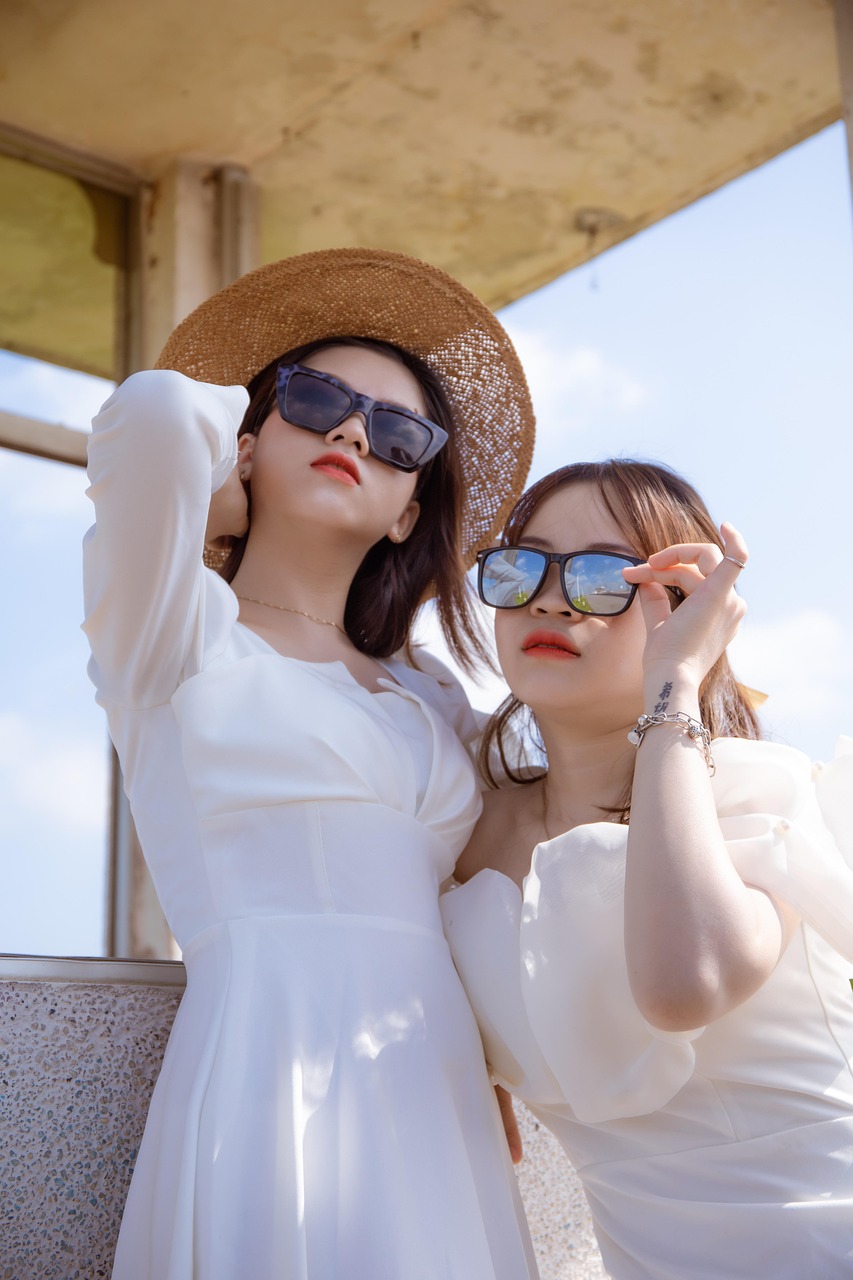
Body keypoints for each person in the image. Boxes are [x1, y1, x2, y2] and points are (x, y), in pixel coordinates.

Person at [82, 247, 541, 1279]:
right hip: (269, 1059)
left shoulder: (431, 695)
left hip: (437, 1090)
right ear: (247, 437)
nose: (348, 429)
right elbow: (154, 413)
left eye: (397, 433)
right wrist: (220, 495)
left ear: (407, 512)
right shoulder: (176, 635)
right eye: (316, 397)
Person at [442, 459, 853, 1280]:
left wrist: (675, 684)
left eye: (606, 577)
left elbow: (682, 986)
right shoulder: (459, 825)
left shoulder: (747, 788)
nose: (552, 600)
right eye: (523, 566)